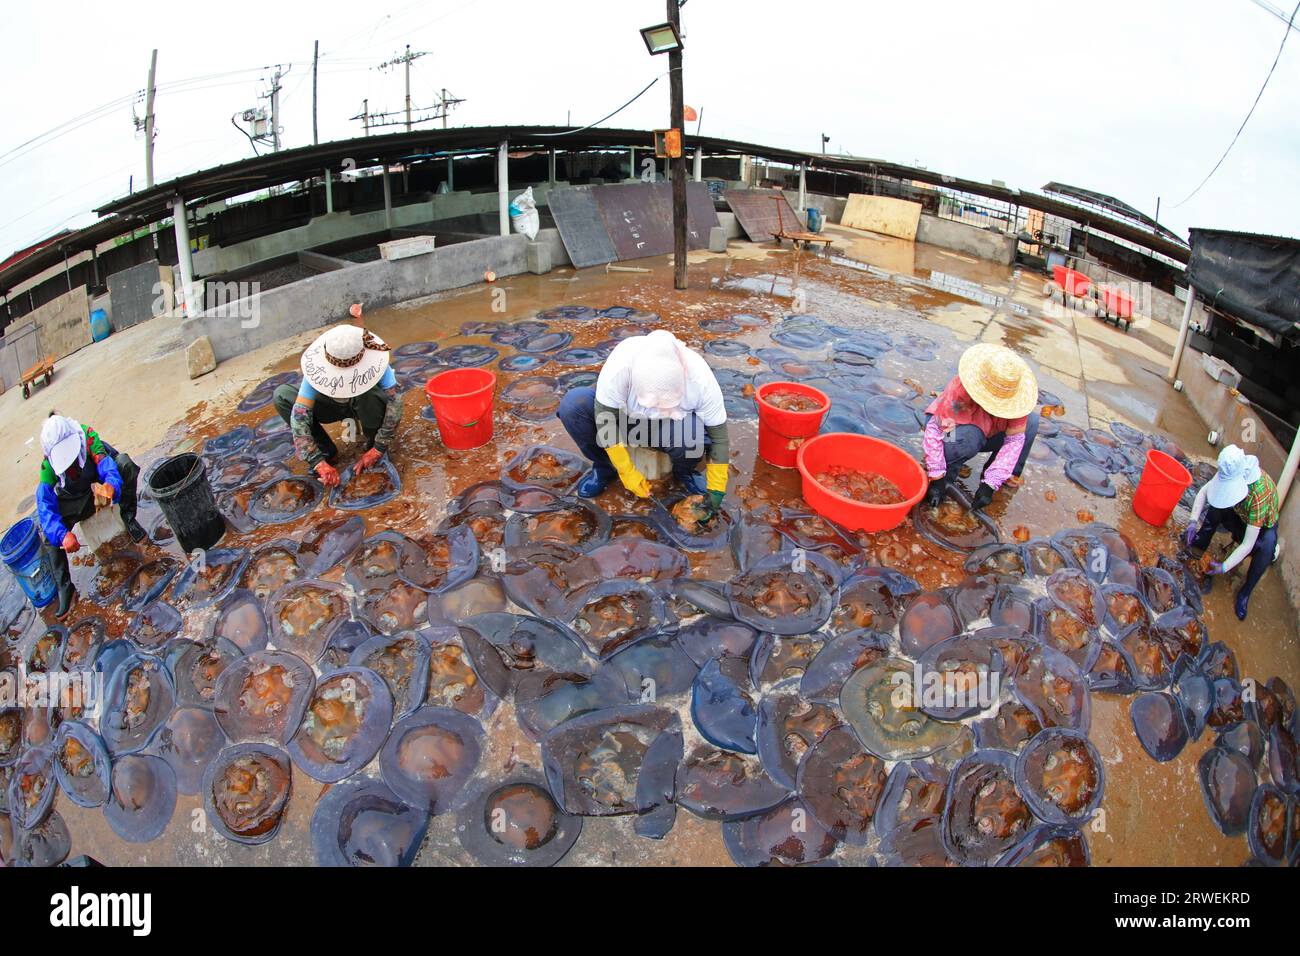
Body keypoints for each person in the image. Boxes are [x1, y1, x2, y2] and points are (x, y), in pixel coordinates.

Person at [557, 329, 730, 515]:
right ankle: (604, 466)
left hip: (670, 427)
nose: (655, 407)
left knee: (693, 436)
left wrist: (716, 491)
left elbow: (719, 438)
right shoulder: (621, 365)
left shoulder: (700, 379)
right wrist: (626, 470)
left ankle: (684, 473)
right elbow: (604, 419)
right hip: (626, 421)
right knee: (574, 404)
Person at [273, 307, 402, 488]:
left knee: (370, 393)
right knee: (282, 395)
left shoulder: (376, 363)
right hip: (330, 405)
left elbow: (395, 404)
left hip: (364, 404)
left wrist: (379, 448)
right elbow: (299, 417)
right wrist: (317, 461)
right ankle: (325, 451)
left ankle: (372, 443)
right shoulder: (318, 369)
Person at [36, 414, 145, 617]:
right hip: (76, 501)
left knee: (125, 464)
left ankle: (129, 519)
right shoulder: (47, 467)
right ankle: (65, 588)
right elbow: (45, 508)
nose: (71, 467)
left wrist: (111, 485)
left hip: (98, 488)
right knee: (48, 536)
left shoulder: (88, 436)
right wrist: (62, 535)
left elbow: (107, 465)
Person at [922, 343, 1040, 511]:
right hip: (948, 428)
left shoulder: (1014, 398)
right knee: (969, 438)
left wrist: (991, 483)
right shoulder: (960, 391)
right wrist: (937, 476)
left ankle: (1006, 474)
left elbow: (1014, 441)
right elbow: (937, 430)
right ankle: (948, 469)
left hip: (988, 431)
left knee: (1031, 423)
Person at [1185, 444, 1280, 621]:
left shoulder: (1260, 492)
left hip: (1259, 529)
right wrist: (1192, 521)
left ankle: (1245, 593)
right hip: (1238, 515)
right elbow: (1205, 492)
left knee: (1266, 548)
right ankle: (1197, 547)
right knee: (1216, 507)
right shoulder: (1231, 466)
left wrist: (1224, 566)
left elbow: (1247, 544)